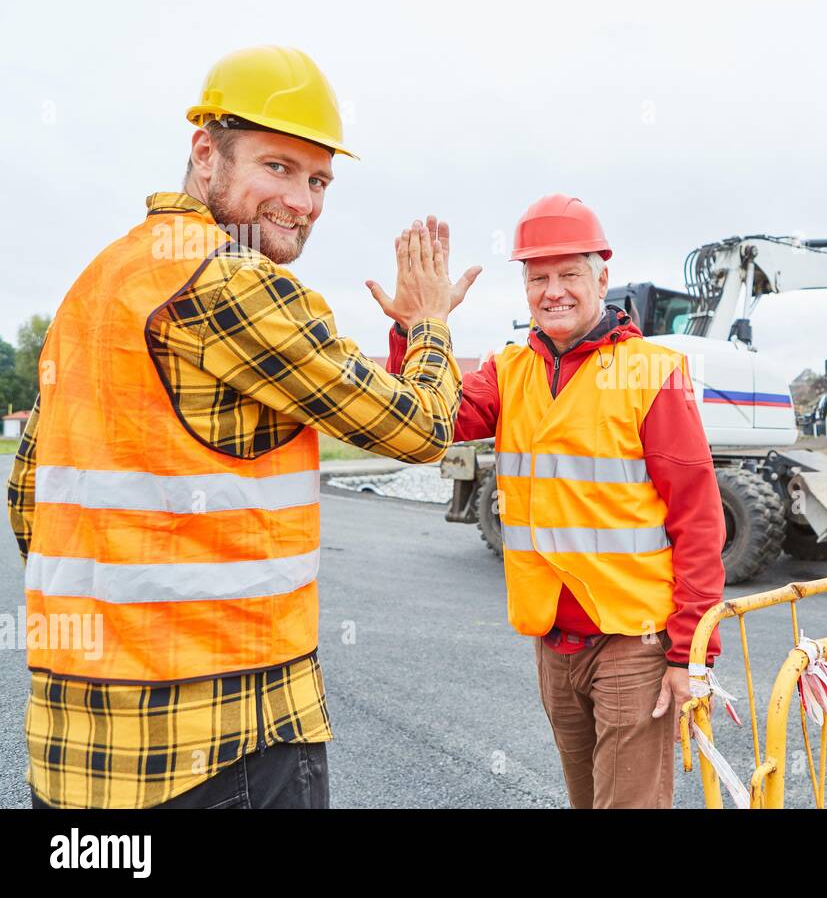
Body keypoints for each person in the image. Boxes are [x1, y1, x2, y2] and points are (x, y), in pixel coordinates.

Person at [6, 45, 478, 809]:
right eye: (278, 168)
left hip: (79, 754)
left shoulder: (95, 286)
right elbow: (421, 428)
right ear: (205, 154)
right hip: (227, 744)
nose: (303, 201)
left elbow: (31, 495)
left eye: (319, 178)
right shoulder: (232, 280)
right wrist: (428, 323)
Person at [384, 194, 724, 808]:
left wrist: (690, 651)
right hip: (554, 643)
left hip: (634, 642)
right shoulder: (509, 369)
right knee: (585, 800)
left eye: (569, 273)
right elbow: (428, 423)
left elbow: (698, 520)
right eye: (538, 277)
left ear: (601, 276)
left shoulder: (651, 372)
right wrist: (414, 329)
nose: (553, 291)